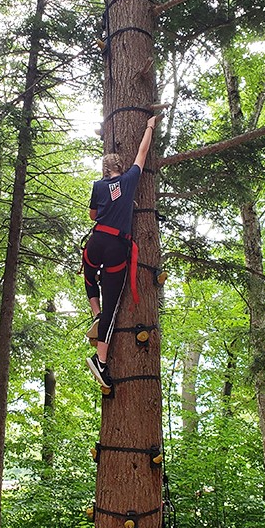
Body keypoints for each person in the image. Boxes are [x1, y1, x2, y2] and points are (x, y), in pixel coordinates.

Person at [83, 115, 157, 387]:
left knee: (90, 276)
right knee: (112, 304)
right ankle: (100, 362)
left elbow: (92, 215)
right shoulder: (128, 181)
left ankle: (95, 313)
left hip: (96, 241)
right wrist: (149, 126)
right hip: (116, 247)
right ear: (120, 167)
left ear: (105, 170)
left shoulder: (98, 186)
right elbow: (142, 151)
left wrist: (106, 206)